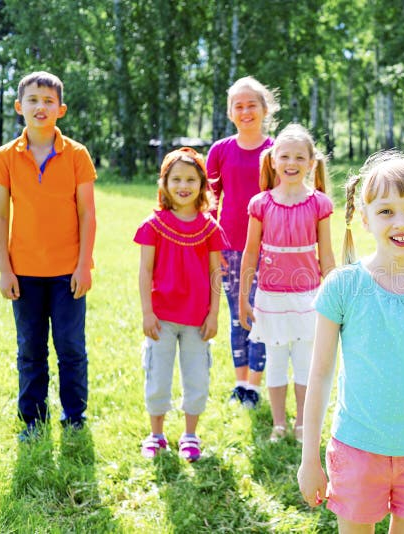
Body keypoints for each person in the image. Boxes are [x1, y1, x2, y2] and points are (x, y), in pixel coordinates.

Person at [298, 151, 404, 533]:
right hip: (356, 449)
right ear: (365, 217)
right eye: (386, 211)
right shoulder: (342, 287)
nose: (401, 222)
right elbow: (320, 375)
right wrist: (309, 458)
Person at [0, 71, 97, 441]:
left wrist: (84, 265)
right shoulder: (4, 157)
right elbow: (0, 215)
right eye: (33, 99)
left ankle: (74, 415)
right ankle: (33, 420)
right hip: (24, 272)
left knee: (70, 347)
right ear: (20, 106)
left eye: (49, 101)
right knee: (30, 349)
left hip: (68, 272)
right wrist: (5, 270)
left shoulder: (77, 155)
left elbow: (87, 213)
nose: (41, 106)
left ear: (61, 109)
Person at [238, 124, 335, 443]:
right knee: (277, 363)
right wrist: (243, 298)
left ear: (311, 162)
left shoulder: (319, 203)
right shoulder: (261, 203)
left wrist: (334, 298)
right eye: (285, 156)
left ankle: (303, 424)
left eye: (299, 157)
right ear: (273, 160)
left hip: (309, 298)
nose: (291, 162)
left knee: (306, 365)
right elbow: (250, 252)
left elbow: (327, 254)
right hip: (271, 299)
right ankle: (279, 423)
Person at [134, 147, 227, 461]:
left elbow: (217, 273)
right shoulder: (153, 225)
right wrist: (147, 312)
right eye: (176, 179)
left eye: (191, 179)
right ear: (164, 183)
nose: (183, 185)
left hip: (197, 319)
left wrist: (214, 314)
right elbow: (145, 271)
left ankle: (190, 434)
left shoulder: (210, 228)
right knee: (157, 375)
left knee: (196, 376)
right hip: (161, 317)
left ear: (202, 185)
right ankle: (156, 434)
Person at [207, 76, 280, 409]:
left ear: (264, 109)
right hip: (230, 248)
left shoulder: (277, 151)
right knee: (238, 315)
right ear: (230, 112)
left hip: (270, 250)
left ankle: (255, 385)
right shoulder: (220, 151)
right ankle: (239, 383)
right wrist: (212, 249)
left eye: (252, 104)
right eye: (239, 105)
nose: (246, 111)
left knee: (261, 314)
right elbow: (210, 203)